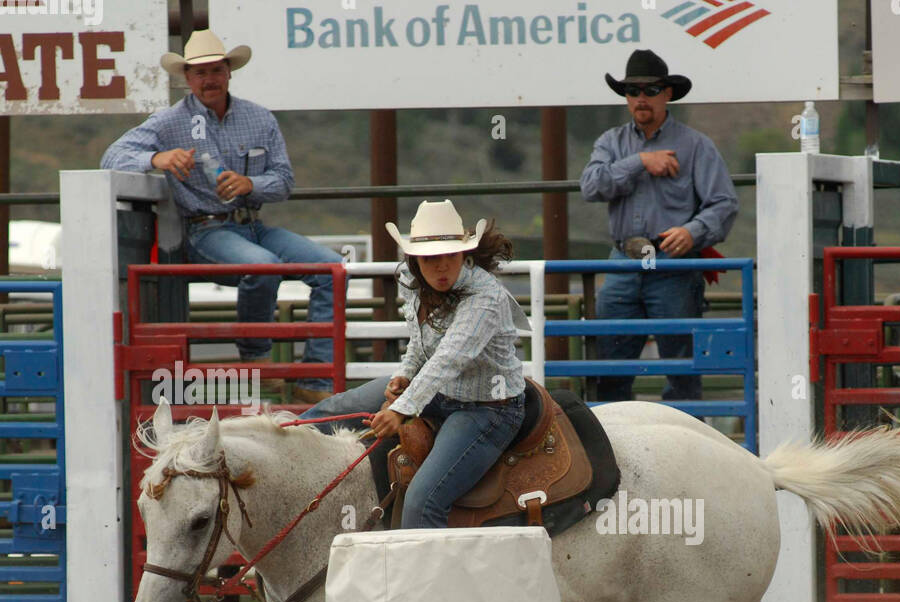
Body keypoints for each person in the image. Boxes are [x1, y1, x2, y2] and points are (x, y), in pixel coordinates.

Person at [101, 29, 342, 403]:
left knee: (331, 268)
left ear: (229, 71)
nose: (208, 79)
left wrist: (250, 184)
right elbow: (110, 157)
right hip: (205, 230)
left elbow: (283, 182)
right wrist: (155, 158)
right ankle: (257, 362)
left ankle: (315, 381)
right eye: (199, 73)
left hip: (253, 225)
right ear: (187, 79)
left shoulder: (259, 118)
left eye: (215, 70)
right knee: (262, 267)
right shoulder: (168, 122)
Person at [299, 200, 528, 530]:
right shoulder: (415, 282)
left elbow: (449, 358)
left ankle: (425, 579)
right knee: (329, 412)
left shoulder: (485, 298)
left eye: (449, 256)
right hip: (436, 393)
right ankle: (271, 449)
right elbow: (421, 348)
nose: (441, 268)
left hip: (487, 409)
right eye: (430, 259)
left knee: (424, 498)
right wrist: (404, 374)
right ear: (416, 260)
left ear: (465, 254)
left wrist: (401, 409)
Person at [580, 49, 739, 403]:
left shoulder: (696, 145)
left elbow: (724, 203)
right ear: (625, 97)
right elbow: (590, 186)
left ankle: (687, 450)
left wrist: (692, 232)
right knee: (609, 369)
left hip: (672, 262)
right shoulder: (611, 142)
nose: (641, 98)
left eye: (651, 91)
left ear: (667, 94)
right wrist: (640, 162)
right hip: (624, 260)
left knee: (681, 371)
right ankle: (612, 452)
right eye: (632, 91)